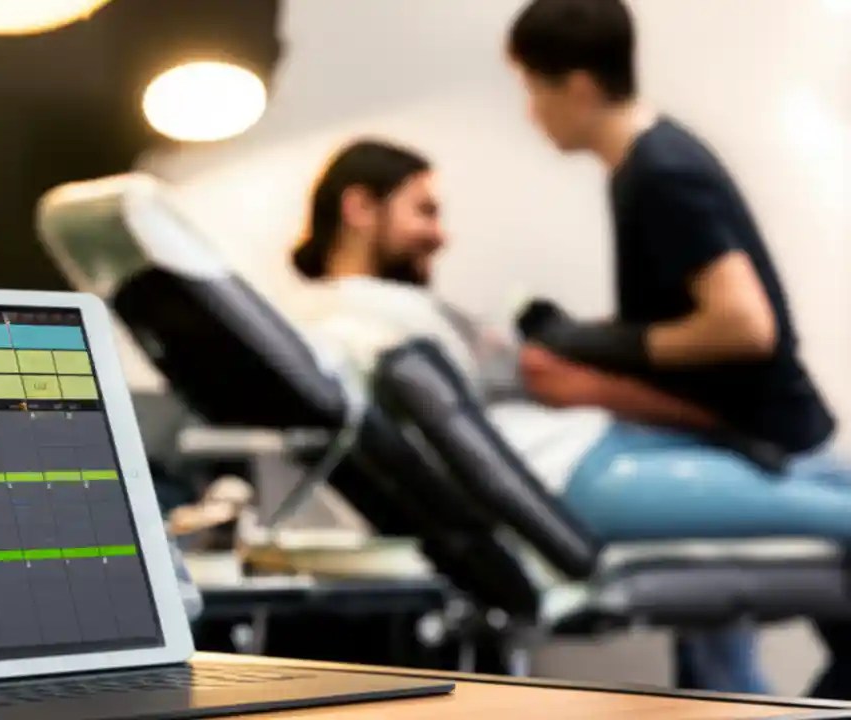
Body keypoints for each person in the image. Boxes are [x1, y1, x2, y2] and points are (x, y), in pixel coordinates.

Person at [291, 139, 851, 697]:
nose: (441, 234)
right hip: (580, 479)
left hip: (600, 449)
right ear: (360, 208)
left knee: (830, 478)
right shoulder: (344, 318)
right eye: (425, 210)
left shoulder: (392, 309)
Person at [504, 0, 845, 695]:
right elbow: (692, 315)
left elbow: (744, 326)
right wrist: (592, 343)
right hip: (725, 436)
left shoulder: (662, 171)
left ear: (578, 86)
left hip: (760, 441)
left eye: (532, 90)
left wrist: (603, 345)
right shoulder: (645, 164)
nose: (529, 113)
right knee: (715, 664)